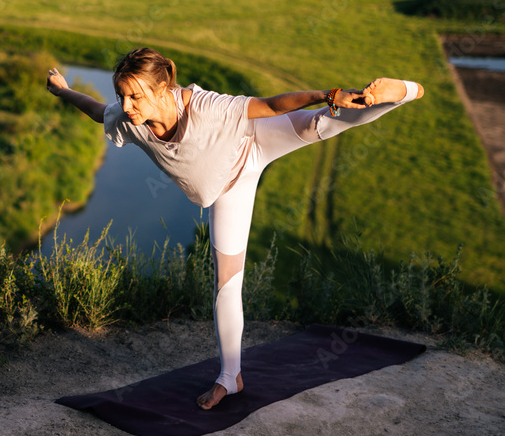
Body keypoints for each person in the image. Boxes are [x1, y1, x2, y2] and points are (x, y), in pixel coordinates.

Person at [46, 47, 424, 409]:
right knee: (226, 285)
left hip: (255, 142)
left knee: (323, 121)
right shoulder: (130, 119)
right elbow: (97, 111)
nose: (126, 106)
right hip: (230, 190)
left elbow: (271, 106)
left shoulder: (207, 106)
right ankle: (231, 378)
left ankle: (405, 91)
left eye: (134, 97)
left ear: (162, 90)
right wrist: (64, 91)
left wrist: (328, 94)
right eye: (121, 95)